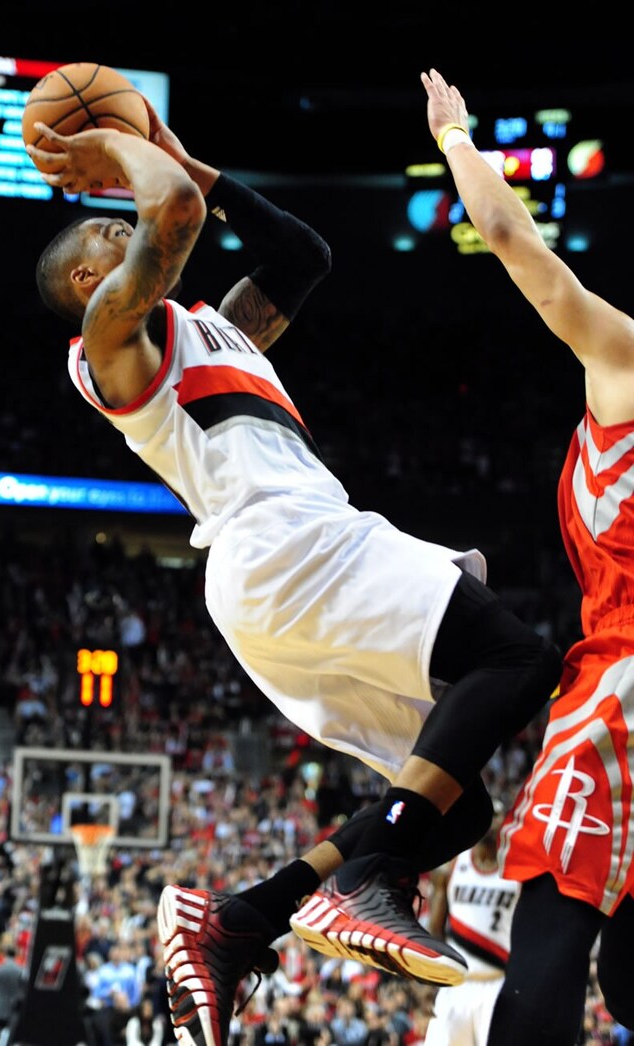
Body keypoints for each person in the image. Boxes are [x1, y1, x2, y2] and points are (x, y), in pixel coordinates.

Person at [27, 94, 561, 1046]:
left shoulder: (212, 328)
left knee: (454, 806)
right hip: (283, 546)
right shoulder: (109, 341)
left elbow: (304, 256)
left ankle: (240, 923)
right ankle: (366, 882)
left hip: (290, 561)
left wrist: (192, 165)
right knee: (515, 657)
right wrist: (112, 142)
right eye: (109, 228)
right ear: (86, 277)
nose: (127, 221)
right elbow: (173, 215)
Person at [421, 66, 634, 1046]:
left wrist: (456, 136)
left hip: (618, 691)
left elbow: (510, 237)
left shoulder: (621, 355)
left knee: (547, 950)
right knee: (624, 982)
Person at [423, 801, 519, 1045]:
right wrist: (433, 978)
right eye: (488, 816)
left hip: (499, 981)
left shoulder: (519, 868)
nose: (491, 823)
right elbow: (435, 929)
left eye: (497, 816)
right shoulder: (450, 866)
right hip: (457, 983)